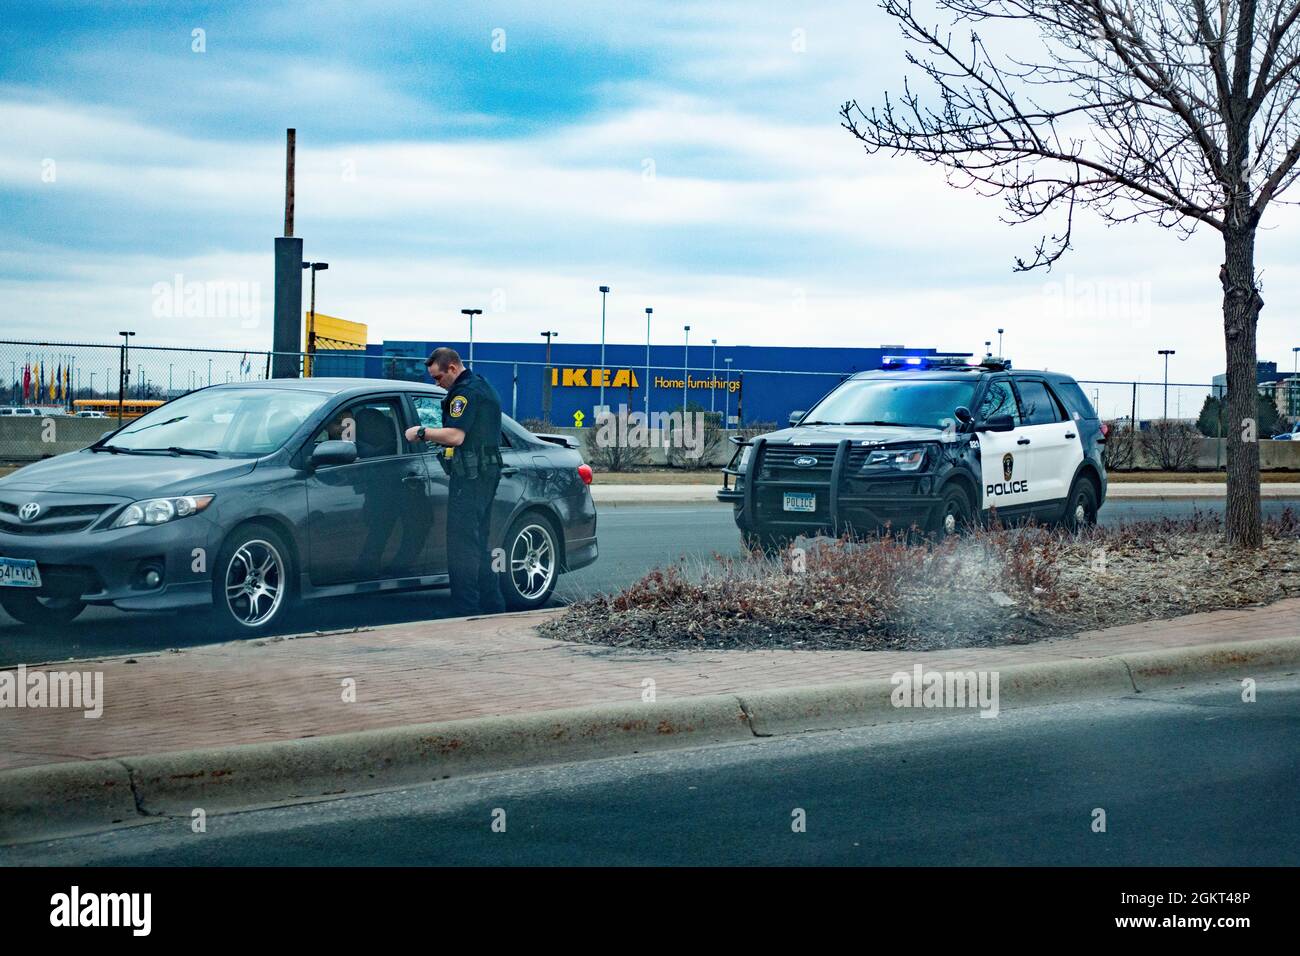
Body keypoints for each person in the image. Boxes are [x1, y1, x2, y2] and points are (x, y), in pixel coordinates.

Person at [404, 347, 506, 615]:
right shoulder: (482, 385)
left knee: (462, 545)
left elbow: (456, 436)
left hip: (471, 478)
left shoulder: (464, 393)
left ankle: (465, 609)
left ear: (452, 368)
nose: (437, 383)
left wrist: (421, 432)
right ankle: (492, 605)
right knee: (480, 541)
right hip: (484, 473)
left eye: (438, 378)